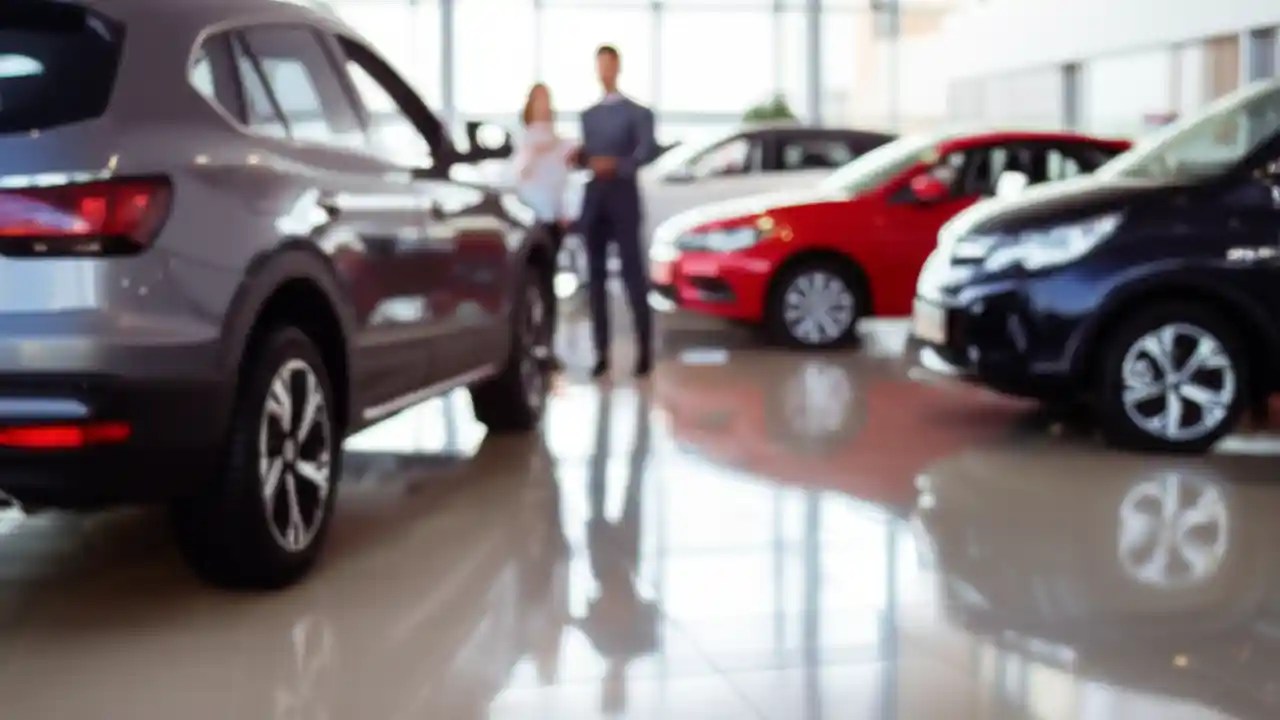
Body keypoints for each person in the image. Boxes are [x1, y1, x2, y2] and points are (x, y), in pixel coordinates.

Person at [576, 45, 658, 378]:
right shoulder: (588, 116)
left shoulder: (638, 113)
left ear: (618, 67)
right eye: (600, 65)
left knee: (633, 276)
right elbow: (586, 155)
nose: (605, 71)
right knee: (594, 280)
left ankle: (645, 350)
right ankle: (602, 352)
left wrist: (618, 165)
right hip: (595, 200)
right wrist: (586, 160)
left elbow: (648, 150)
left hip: (624, 197)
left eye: (609, 65)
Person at [514, 83, 574, 370]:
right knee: (530, 286)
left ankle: (547, 346)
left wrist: (564, 212)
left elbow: (562, 181)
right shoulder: (524, 139)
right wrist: (534, 151)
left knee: (549, 286)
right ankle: (528, 345)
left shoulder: (560, 141)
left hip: (553, 219)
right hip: (530, 218)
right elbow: (517, 175)